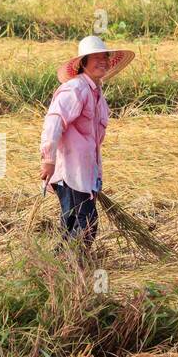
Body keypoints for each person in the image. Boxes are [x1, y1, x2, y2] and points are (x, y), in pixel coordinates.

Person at [38, 34, 135, 252]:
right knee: (85, 225)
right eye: (95, 57)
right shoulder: (76, 89)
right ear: (83, 63)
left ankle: (61, 268)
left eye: (105, 57)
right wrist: (48, 160)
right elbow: (54, 121)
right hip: (70, 172)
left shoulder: (96, 92)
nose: (102, 61)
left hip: (85, 172)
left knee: (74, 225)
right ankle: (71, 267)